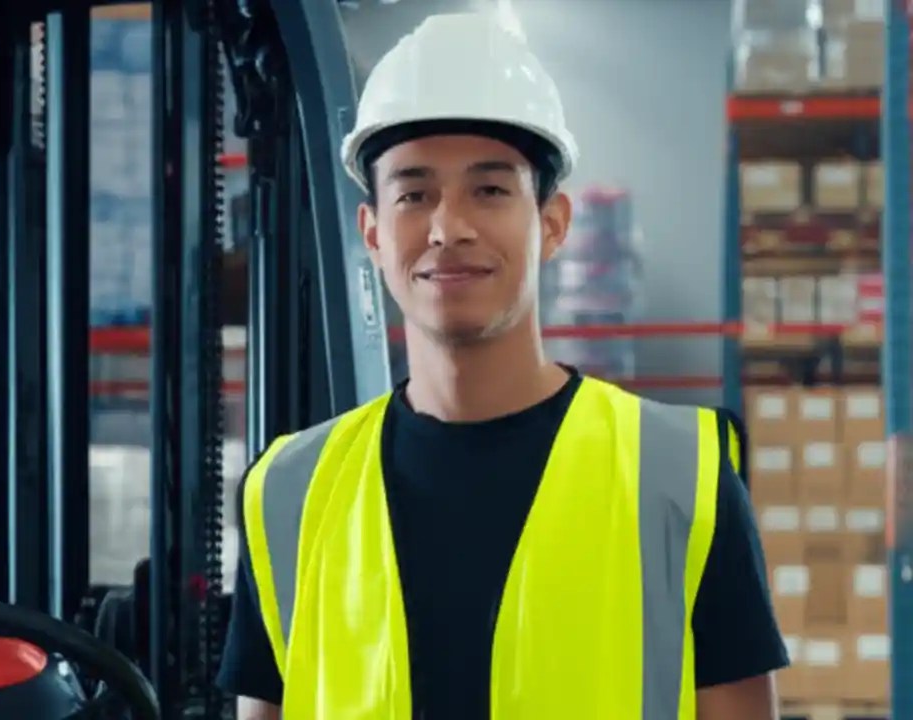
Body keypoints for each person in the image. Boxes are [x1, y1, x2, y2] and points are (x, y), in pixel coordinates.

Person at [216, 8, 788, 720]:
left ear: (552, 224)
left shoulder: (681, 479)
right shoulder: (288, 494)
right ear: (371, 231)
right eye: (413, 193)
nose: (447, 227)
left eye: (489, 190)